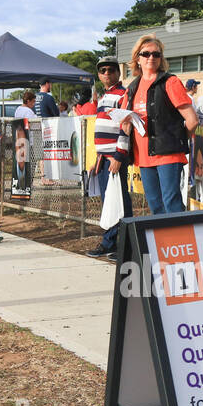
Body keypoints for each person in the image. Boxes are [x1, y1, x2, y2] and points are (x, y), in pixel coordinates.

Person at [122, 34, 197, 216]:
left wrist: (176, 140)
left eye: (156, 54)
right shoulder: (132, 87)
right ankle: (164, 244)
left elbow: (192, 120)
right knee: (155, 205)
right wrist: (126, 125)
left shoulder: (170, 82)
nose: (151, 58)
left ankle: (182, 242)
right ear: (137, 58)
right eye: (146, 54)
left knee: (171, 204)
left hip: (168, 155)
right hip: (143, 156)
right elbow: (125, 125)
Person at [84, 55, 133, 259]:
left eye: (110, 70)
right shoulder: (103, 98)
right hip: (104, 158)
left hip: (115, 158)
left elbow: (126, 125)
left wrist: (119, 155)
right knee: (110, 201)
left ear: (118, 73)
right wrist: (98, 157)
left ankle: (124, 244)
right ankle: (113, 243)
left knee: (119, 199)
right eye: (102, 70)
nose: (106, 73)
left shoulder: (123, 94)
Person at [11, 89, 36, 202]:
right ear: (29, 101)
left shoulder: (18, 110)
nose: (34, 104)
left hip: (19, 141)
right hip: (27, 141)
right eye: (33, 102)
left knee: (21, 164)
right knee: (30, 164)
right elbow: (35, 123)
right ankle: (27, 185)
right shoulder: (28, 112)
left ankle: (22, 186)